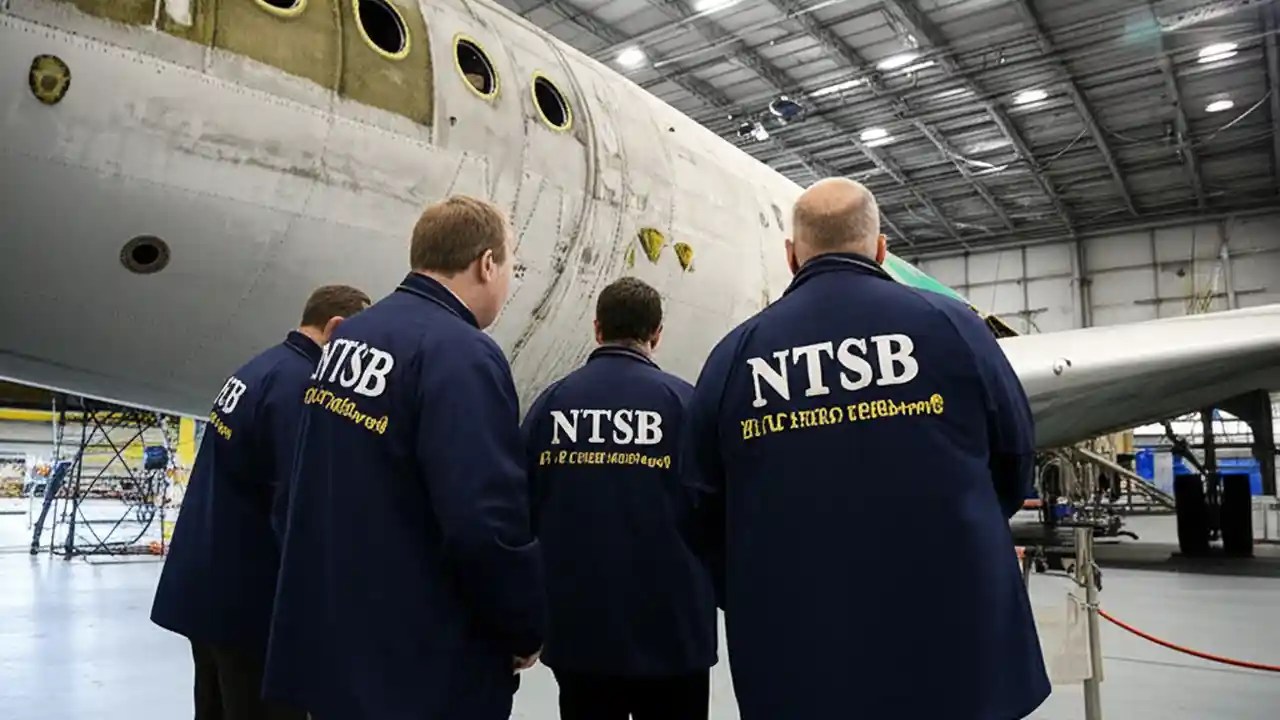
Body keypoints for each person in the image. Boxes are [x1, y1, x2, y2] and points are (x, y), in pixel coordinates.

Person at [682, 178, 1050, 720]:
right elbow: (1015, 461)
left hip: (798, 658)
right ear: (880, 248)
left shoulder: (736, 356)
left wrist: (764, 581)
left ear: (791, 256)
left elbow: (700, 507)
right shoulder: (955, 328)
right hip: (957, 650)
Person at [263, 195, 546, 720]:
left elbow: (303, 481)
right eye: (512, 266)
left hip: (340, 648)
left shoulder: (348, 340)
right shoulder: (462, 354)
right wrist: (525, 625)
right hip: (421, 665)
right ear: (487, 264)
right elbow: (483, 524)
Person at [151, 284, 372, 720]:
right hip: (251, 605)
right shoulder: (301, 387)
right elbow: (296, 502)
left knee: (215, 705)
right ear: (337, 328)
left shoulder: (259, 369)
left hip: (209, 590)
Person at [521, 277, 717, 720]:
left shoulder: (551, 405)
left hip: (579, 635)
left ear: (597, 328)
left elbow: (522, 511)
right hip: (674, 634)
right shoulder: (686, 405)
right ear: (657, 333)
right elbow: (716, 510)